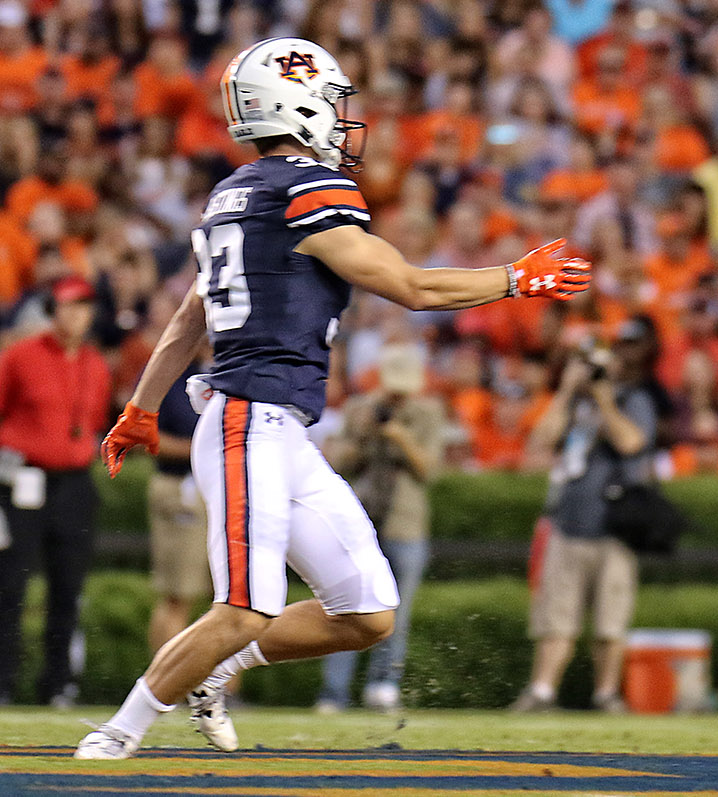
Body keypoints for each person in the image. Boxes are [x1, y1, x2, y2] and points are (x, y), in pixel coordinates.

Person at [78, 37, 592, 759]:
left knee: (369, 611)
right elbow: (411, 287)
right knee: (244, 605)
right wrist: (515, 277)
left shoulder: (237, 193)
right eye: (332, 102)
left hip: (278, 427)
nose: (344, 120)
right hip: (244, 418)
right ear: (295, 104)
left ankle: (214, 670)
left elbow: (190, 314)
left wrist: (139, 406)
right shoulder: (305, 188)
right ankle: (114, 733)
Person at [511, 318, 662, 712]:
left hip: (614, 527)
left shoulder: (634, 400)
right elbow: (540, 440)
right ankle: (542, 691)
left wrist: (605, 399)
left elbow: (632, 442)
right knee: (555, 618)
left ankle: (606, 693)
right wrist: (565, 393)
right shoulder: (574, 404)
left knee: (610, 622)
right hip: (568, 521)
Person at [0, 275, 111, 707]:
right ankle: (4, 682)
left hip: (74, 483)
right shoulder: (21, 358)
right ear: (52, 311)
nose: (76, 315)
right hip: (22, 480)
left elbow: (95, 419)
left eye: (83, 307)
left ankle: (58, 683)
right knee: (10, 585)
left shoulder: (94, 364)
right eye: (68, 306)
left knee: (68, 589)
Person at [316, 344, 445, 713]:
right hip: (361, 521)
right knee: (344, 608)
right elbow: (338, 464)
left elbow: (429, 470)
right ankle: (333, 691)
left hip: (405, 525)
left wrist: (400, 436)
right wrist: (366, 435)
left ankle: (384, 684)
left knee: (396, 614)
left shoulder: (427, 413)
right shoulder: (360, 409)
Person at [146, 360, 210, 653]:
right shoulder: (170, 374)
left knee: (232, 597)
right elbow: (147, 436)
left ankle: (226, 692)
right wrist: (203, 448)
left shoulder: (237, 368)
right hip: (181, 485)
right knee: (178, 595)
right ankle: (164, 690)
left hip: (228, 489)